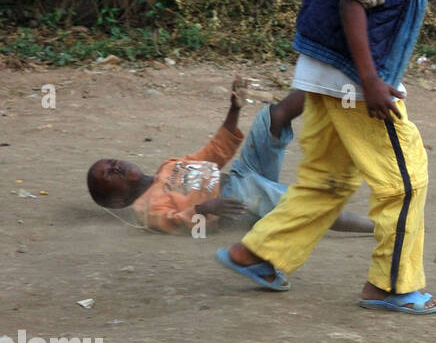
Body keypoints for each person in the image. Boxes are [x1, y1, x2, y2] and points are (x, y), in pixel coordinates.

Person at [216, 0, 436, 313]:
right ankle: (391, 286)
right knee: (404, 182)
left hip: (321, 77)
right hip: (353, 84)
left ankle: (259, 253)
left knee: (326, 180)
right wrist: (369, 81)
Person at [87, 80, 373, 235]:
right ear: (116, 201)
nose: (115, 166)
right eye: (108, 175)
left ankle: (326, 83)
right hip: (238, 201)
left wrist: (234, 109)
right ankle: (380, 229)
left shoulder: (167, 167)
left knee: (271, 117)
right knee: (304, 204)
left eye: (112, 162)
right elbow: (174, 221)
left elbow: (213, 154)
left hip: (242, 174)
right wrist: (203, 208)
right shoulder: (145, 210)